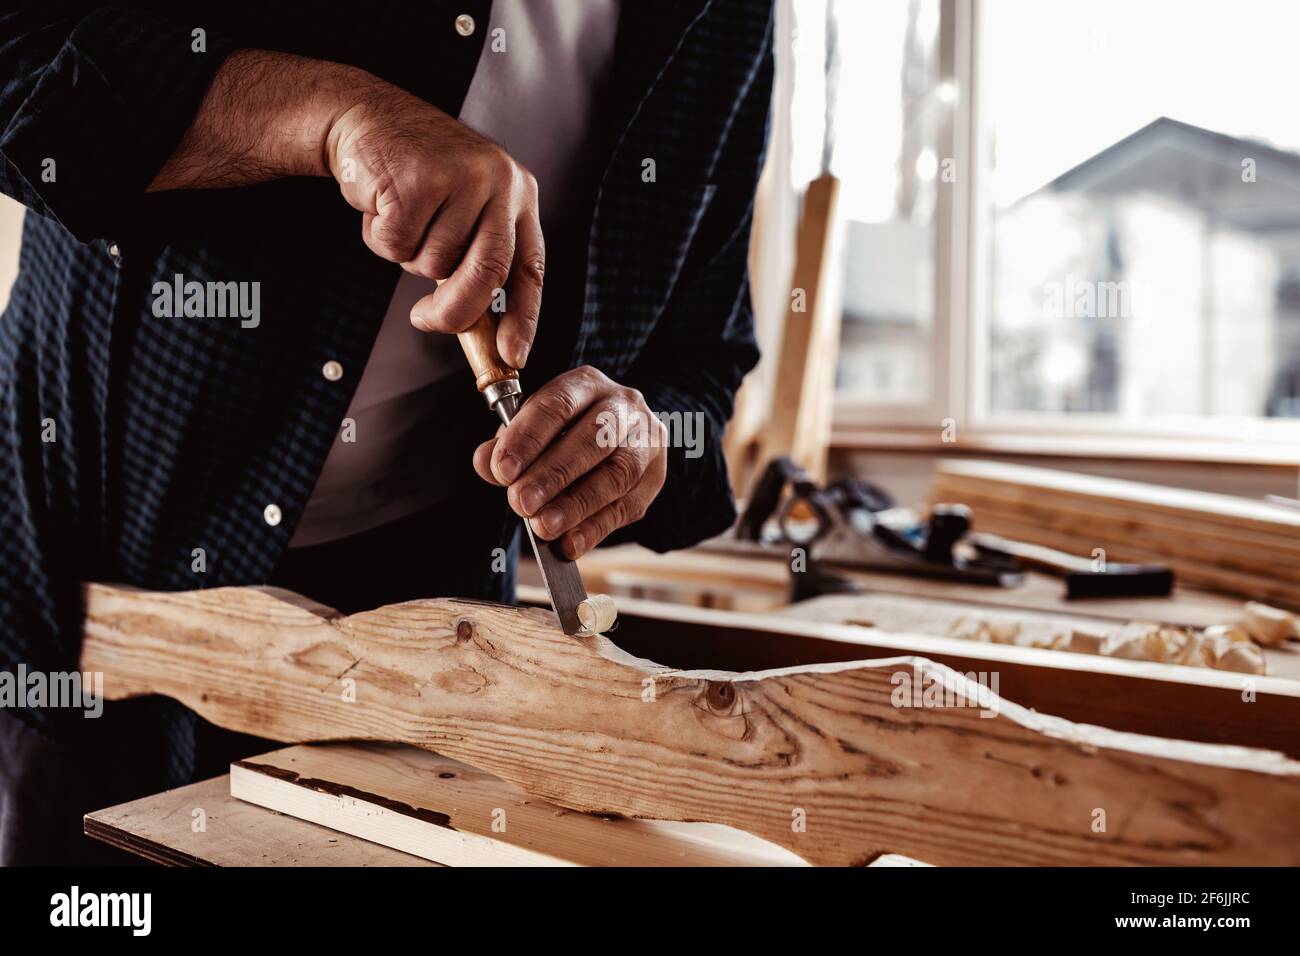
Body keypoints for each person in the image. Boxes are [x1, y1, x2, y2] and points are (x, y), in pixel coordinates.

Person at [0, 0, 773, 863]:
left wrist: (644, 437)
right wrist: (328, 119)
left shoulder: (727, 20)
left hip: (427, 638)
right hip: (97, 589)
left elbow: (703, 376)